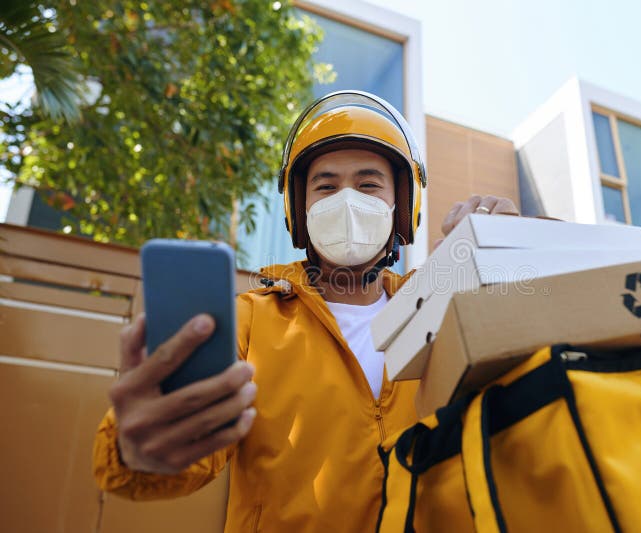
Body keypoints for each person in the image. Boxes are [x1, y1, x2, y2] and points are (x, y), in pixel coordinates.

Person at [92, 91, 519, 532]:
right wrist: (136, 448)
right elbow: (186, 458)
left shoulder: (445, 308)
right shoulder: (248, 321)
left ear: (402, 206)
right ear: (300, 208)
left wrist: (516, 255)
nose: (347, 200)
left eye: (369, 184)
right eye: (326, 186)